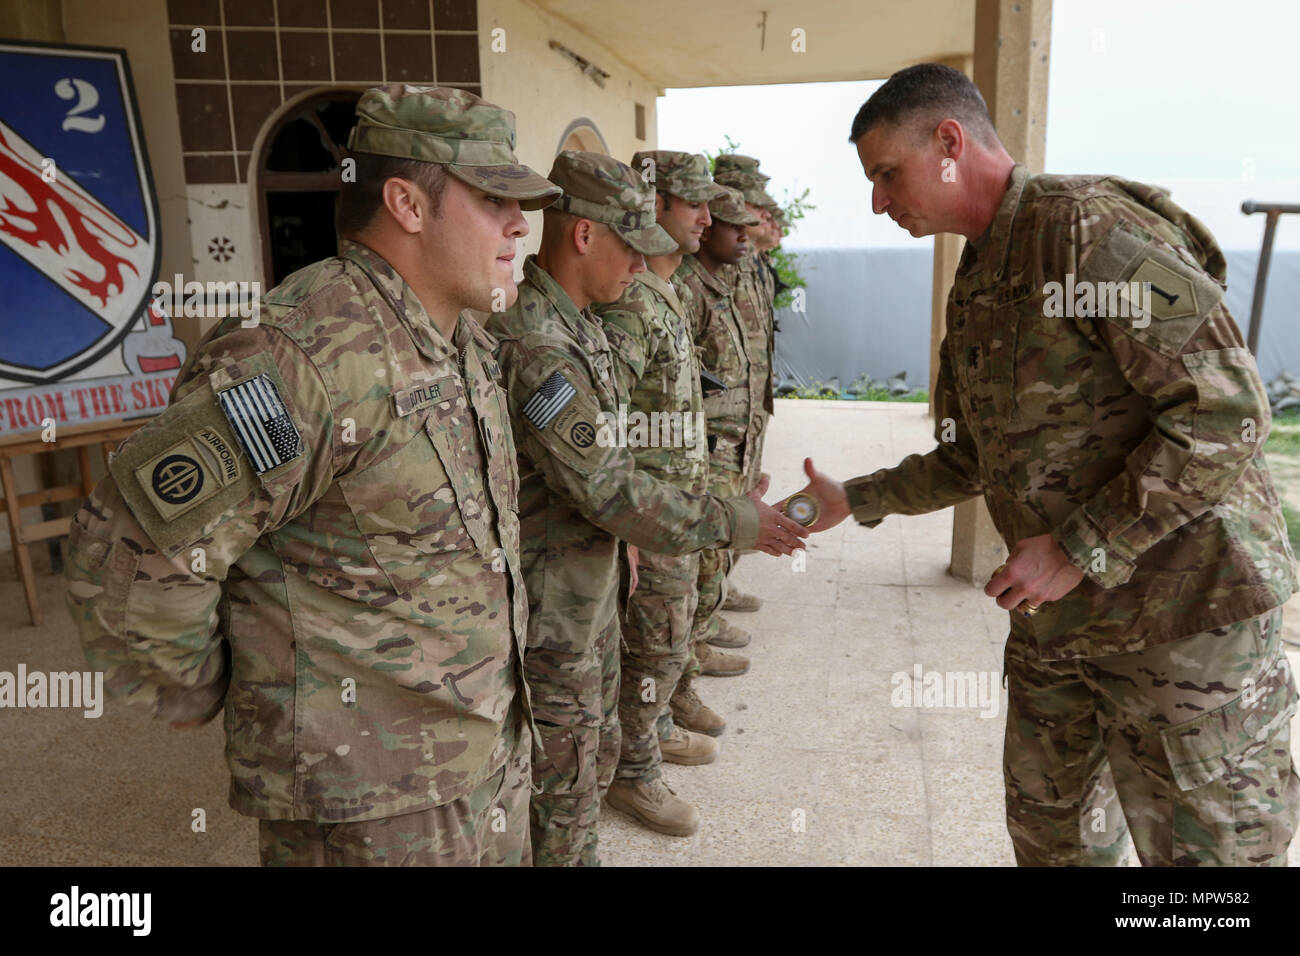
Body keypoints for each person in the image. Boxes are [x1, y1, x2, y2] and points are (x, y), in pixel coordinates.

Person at [793, 62, 1299, 866]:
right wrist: (853, 498)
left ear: (950, 143)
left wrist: (1076, 548)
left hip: (1185, 626)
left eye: (887, 174)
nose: (879, 202)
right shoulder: (979, 276)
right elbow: (972, 456)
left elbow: (1226, 406)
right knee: (1053, 844)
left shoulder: (1090, 230)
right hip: (1063, 636)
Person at [62, 85, 561, 866]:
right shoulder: (306, 354)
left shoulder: (459, 341)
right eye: (494, 197)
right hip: (367, 805)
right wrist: (210, 689)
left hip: (481, 757)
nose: (518, 225)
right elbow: (129, 548)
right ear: (407, 203)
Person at [487, 151, 807, 863]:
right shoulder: (540, 344)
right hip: (553, 604)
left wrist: (644, 531)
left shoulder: (581, 325)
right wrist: (735, 521)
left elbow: (613, 463)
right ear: (583, 236)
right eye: (631, 244)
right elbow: (606, 485)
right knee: (566, 777)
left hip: (587, 583)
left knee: (591, 756)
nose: (643, 261)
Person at [591, 150, 741, 836]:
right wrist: (627, 526)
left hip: (677, 505)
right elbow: (607, 421)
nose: (707, 217)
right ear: (655, 208)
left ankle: (648, 741)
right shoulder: (632, 301)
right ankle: (635, 773)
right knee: (650, 645)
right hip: (648, 512)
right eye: (692, 204)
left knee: (670, 639)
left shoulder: (666, 290)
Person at [671, 186, 766, 738]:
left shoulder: (724, 284)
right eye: (733, 226)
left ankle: (698, 642)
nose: (741, 236)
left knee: (716, 558)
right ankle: (682, 675)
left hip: (731, 442)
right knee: (696, 568)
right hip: (703, 453)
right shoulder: (685, 287)